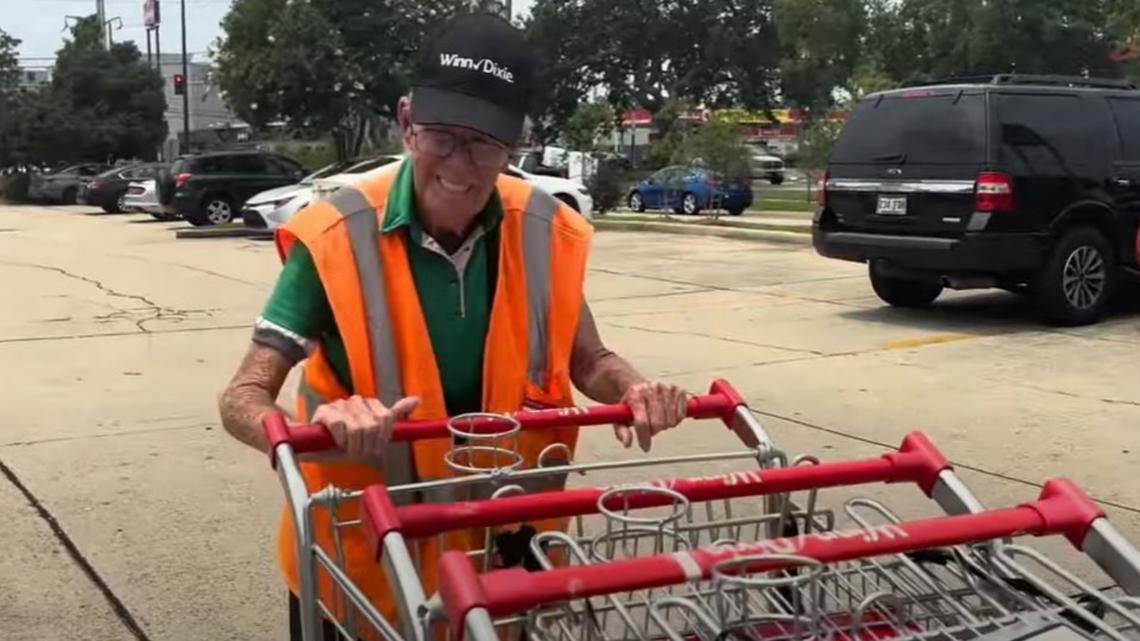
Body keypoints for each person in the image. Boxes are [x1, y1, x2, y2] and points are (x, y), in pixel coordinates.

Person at [217, 11, 690, 640]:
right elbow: (242, 398)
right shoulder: (337, 235)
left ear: (515, 145)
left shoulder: (542, 230)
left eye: (484, 143)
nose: (460, 167)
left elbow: (589, 359)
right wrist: (315, 432)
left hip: (502, 563)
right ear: (406, 121)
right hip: (363, 570)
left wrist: (635, 389)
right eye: (442, 137)